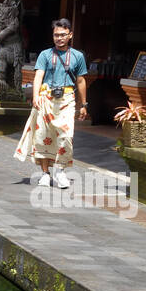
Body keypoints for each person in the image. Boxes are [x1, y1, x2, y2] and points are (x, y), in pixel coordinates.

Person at [14, 18, 87, 188]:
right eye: (56, 35)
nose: (59, 38)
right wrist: (35, 96)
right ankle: (45, 173)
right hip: (46, 98)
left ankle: (60, 171)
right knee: (43, 137)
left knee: (66, 136)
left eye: (63, 35)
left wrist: (84, 104)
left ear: (70, 35)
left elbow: (81, 80)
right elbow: (38, 75)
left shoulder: (78, 56)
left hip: (67, 99)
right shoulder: (45, 54)